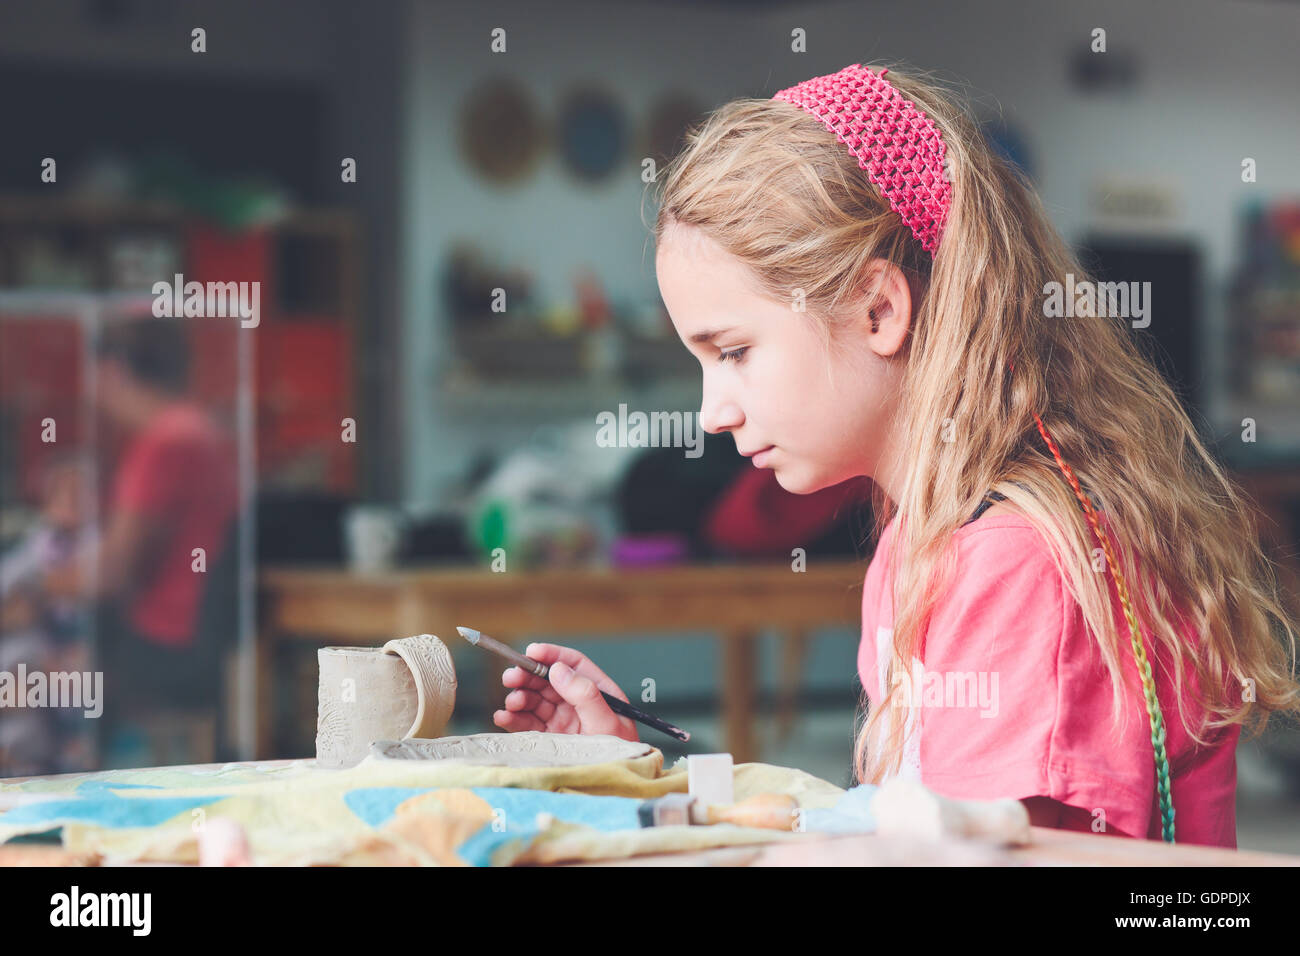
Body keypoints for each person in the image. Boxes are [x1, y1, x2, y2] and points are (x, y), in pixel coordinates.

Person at [490, 64, 1300, 848]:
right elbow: (885, 824)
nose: (711, 413)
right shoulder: (921, 541)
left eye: (733, 351)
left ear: (880, 308)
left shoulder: (1017, 566)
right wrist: (636, 768)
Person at [44, 318, 238, 759]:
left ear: (111, 371)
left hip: (164, 648)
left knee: (28, 668)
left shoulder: (165, 444)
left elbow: (110, 574)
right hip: (194, 640)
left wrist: (41, 583)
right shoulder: (200, 431)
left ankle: (50, 809)